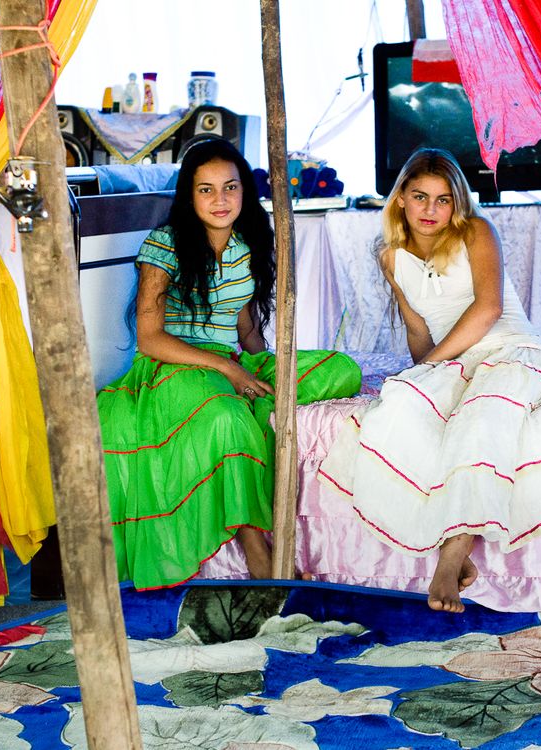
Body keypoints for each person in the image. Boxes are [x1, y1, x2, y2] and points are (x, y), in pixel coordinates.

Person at [318, 148, 541, 613]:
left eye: (443, 199)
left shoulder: (475, 232)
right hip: (454, 361)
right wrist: (424, 376)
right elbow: (417, 328)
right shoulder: (391, 256)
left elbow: (489, 309)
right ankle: (446, 542)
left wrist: (434, 363)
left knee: (482, 418)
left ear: (457, 204)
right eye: (419, 197)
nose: (431, 210)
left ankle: (452, 557)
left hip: (509, 351)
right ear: (400, 202)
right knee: (401, 406)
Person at [97, 137, 361, 590]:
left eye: (230, 187)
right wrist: (230, 372)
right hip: (171, 369)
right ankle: (259, 552)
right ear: (189, 194)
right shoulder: (164, 246)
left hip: (229, 362)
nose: (220, 200)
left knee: (342, 368)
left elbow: (245, 330)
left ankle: (251, 400)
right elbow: (150, 338)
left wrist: (264, 368)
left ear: (244, 190)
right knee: (226, 416)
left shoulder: (247, 243)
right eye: (206, 189)